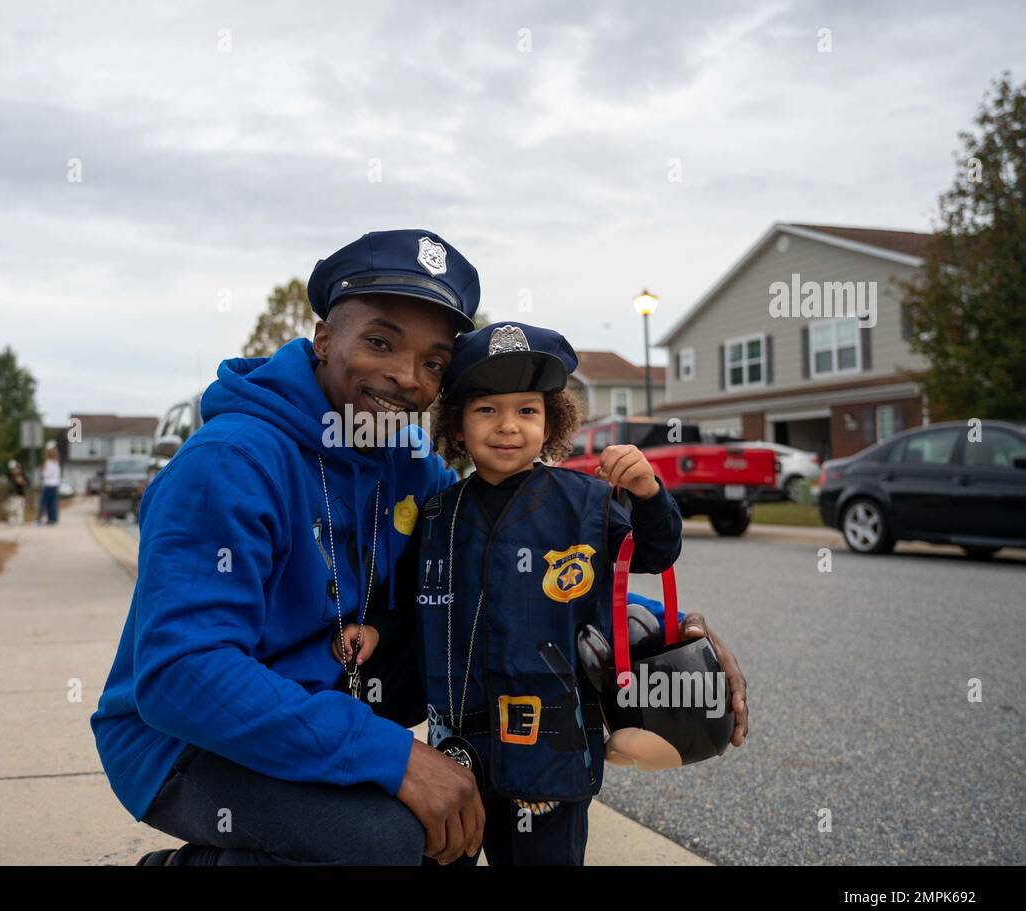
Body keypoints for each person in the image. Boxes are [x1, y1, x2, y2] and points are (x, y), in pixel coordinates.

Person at [90, 230, 748, 866]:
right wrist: (392, 755)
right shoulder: (228, 463)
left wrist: (661, 632)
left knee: (549, 659)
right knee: (382, 841)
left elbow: (500, 568)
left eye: (434, 361)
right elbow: (181, 676)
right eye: (380, 341)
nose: (407, 376)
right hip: (183, 739)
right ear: (324, 337)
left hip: (326, 694)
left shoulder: (401, 459)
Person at [351, 321, 684, 866]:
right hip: (456, 750)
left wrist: (648, 494)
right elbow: (413, 607)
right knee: (441, 854)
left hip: (552, 749)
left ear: (551, 421)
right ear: (456, 423)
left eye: (527, 411)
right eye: (487, 410)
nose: (508, 427)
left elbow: (653, 554)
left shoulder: (587, 503)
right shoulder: (438, 515)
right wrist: (374, 632)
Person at [37, 446, 61, 525]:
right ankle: (52, 519)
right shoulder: (56, 462)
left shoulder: (48, 463)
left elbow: (46, 475)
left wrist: (42, 470)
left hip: (48, 485)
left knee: (43, 502)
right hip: (55, 485)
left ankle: (39, 519)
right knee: (52, 503)